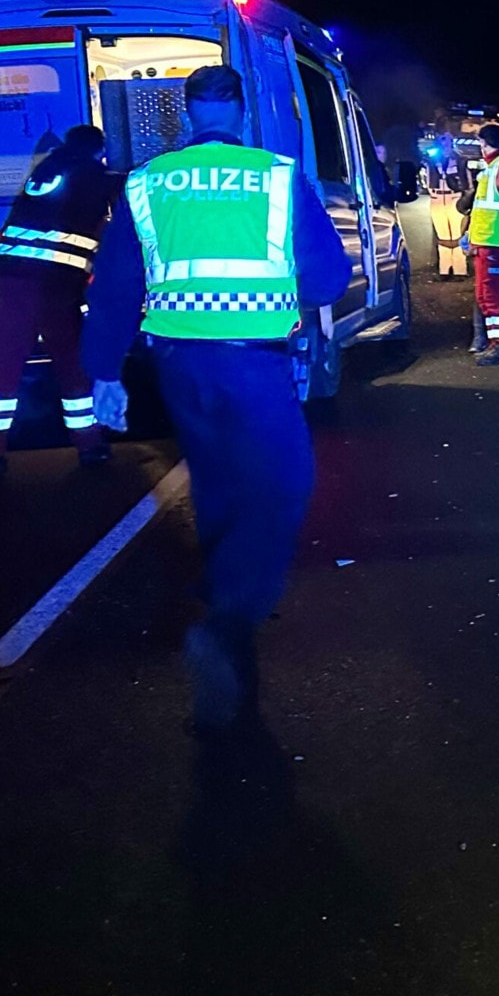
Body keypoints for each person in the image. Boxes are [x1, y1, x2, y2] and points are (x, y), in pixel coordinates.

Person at [83, 65, 352, 735]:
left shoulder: (146, 182)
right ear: (238, 109)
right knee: (286, 483)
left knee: (216, 481)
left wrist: (103, 372)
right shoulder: (276, 176)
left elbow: (117, 283)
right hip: (252, 362)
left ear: (188, 112)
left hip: (175, 363)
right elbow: (326, 280)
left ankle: (219, 587)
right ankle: (228, 617)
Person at [0, 125, 121, 475]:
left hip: (12, 277)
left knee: (5, 363)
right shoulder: (92, 174)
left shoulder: (47, 168)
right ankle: (89, 445)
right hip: (54, 282)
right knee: (71, 361)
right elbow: (121, 199)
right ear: (98, 151)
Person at [455, 124, 499, 364]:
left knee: (494, 296)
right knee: (486, 296)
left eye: (482, 144)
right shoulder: (493, 167)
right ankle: (497, 344)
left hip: (497, 243)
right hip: (488, 242)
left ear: (487, 143)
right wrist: (471, 238)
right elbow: (481, 209)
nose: (481, 148)